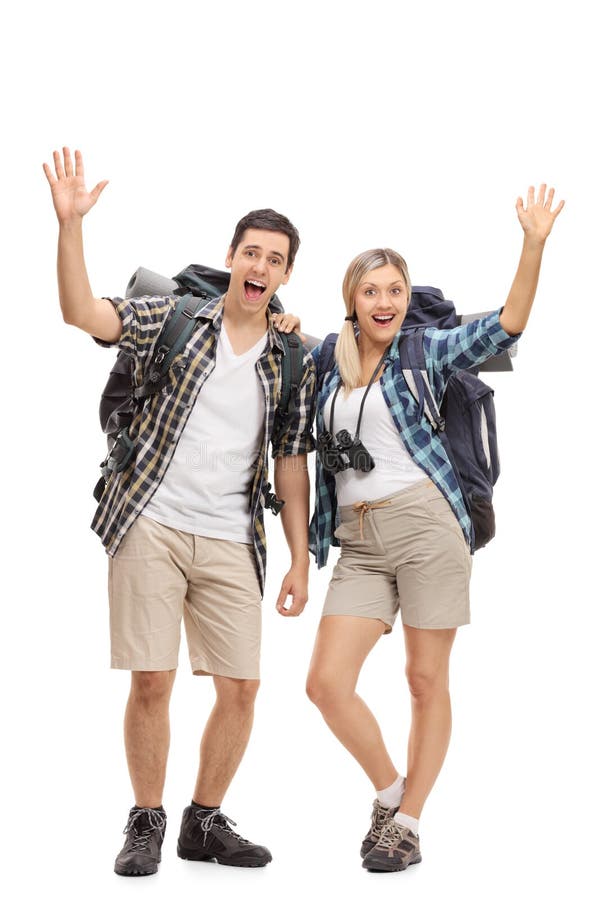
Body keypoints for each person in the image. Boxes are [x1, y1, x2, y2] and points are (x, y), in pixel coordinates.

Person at [43, 147, 316, 876]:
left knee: (242, 687)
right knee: (152, 679)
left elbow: (291, 462)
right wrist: (70, 226)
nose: (260, 266)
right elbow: (81, 313)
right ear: (231, 258)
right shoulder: (176, 317)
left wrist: (299, 558)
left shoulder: (290, 360)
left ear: (286, 275)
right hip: (151, 520)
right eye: (251, 252)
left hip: (232, 536)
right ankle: (146, 820)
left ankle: (203, 822)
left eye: (275, 259)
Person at [305, 185, 564, 872]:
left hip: (427, 527)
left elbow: (507, 324)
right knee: (326, 684)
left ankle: (409, 825)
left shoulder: (425, 350)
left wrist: (532, 244)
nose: (384, 301)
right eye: (371, 291)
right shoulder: (328, 361)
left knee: (424, 679)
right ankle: (392, 792)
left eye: (395, 290)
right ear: (351, 300)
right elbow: (283, 340)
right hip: (359, 541)